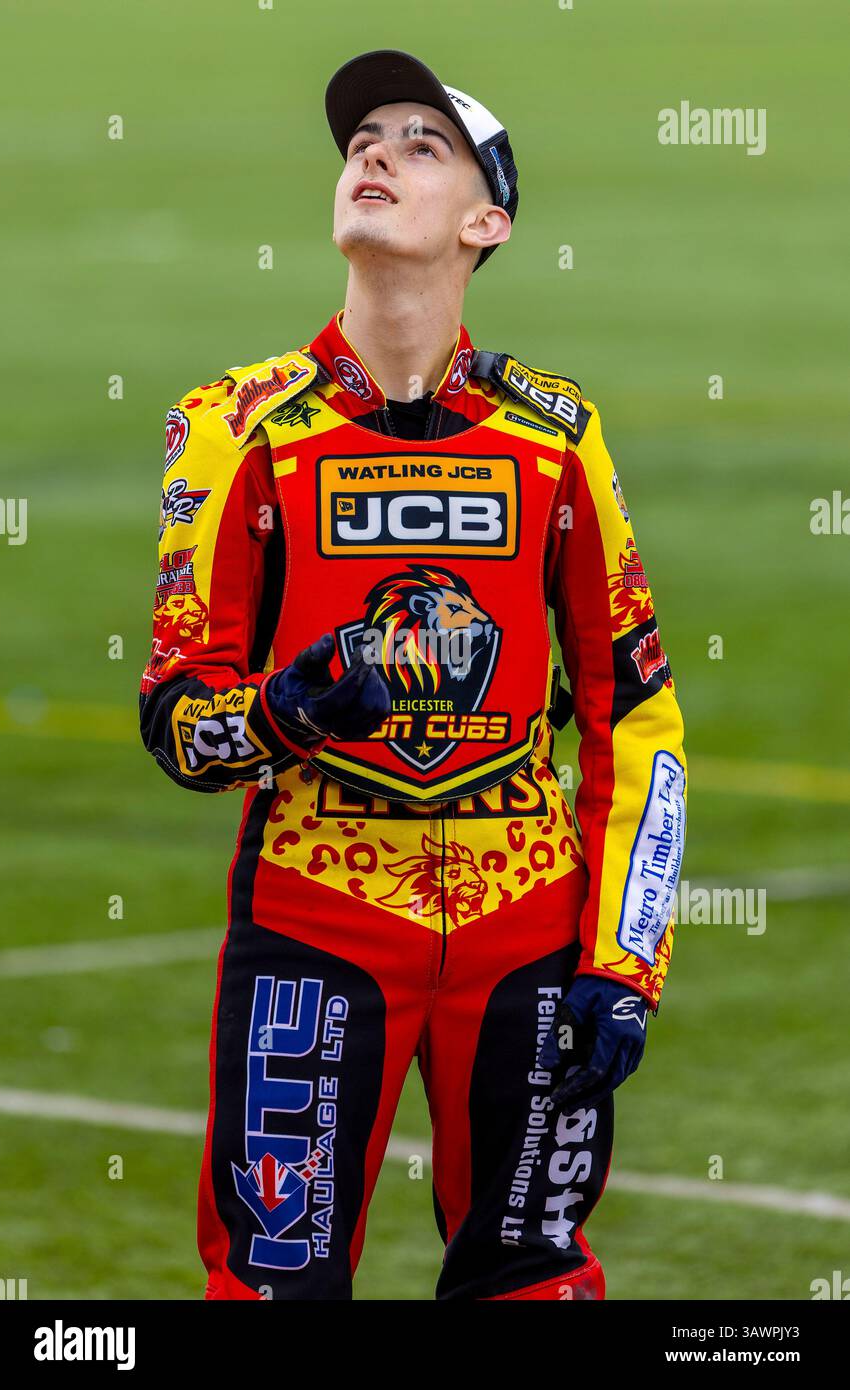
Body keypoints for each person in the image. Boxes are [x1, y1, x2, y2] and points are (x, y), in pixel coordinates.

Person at [140, 49, 687, 1301]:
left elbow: (631, 706)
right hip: (312, 917)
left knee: (533, 1276)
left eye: (419, 143)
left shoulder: (556, 436)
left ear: (485, 223)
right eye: (362, 139)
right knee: (276, 1279)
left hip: (529, 929)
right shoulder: (232, 425)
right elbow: (177, 723)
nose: (372, 154)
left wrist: (622, 960)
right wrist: (285, 710)